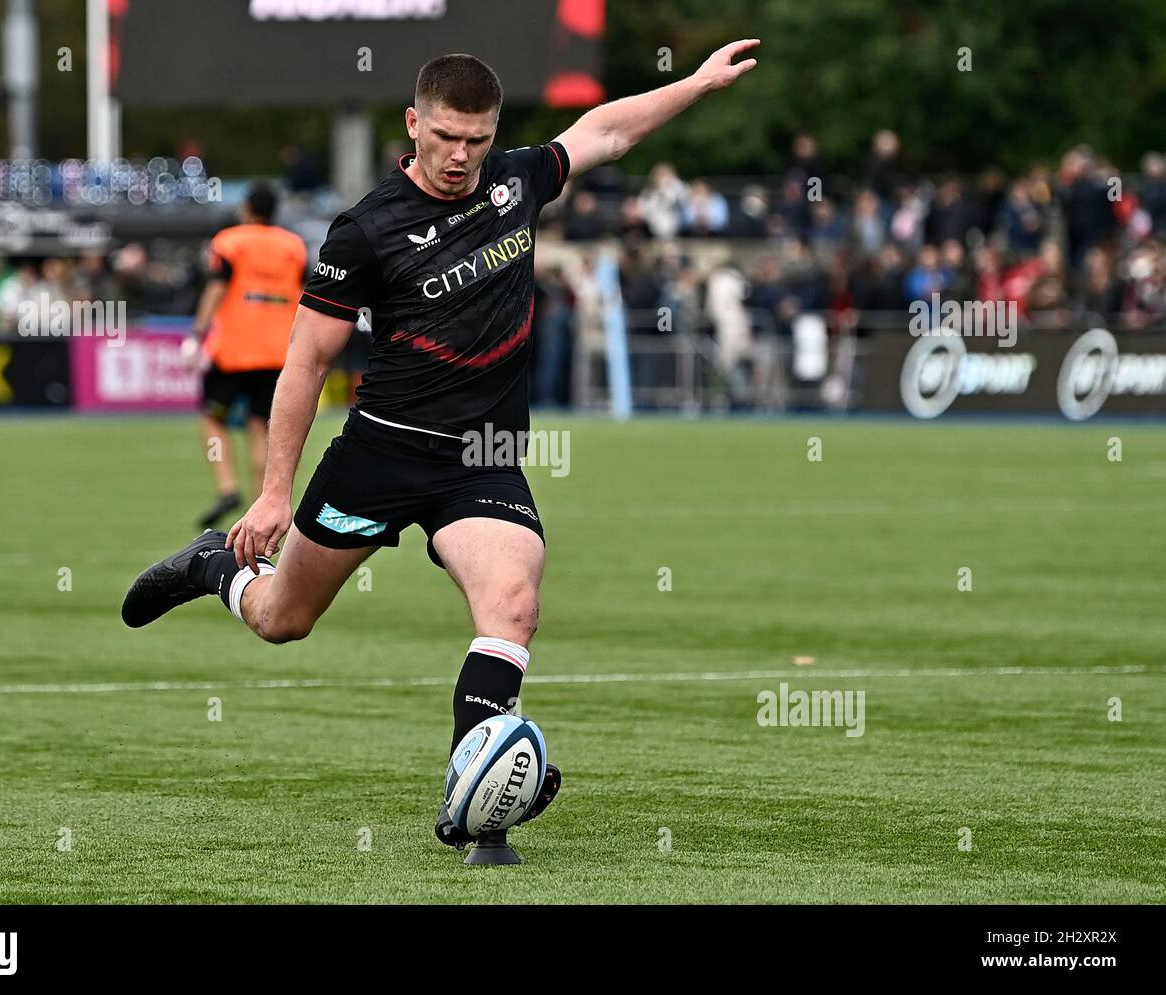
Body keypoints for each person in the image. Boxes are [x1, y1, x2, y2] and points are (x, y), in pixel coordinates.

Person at [122, 42, 761, 850]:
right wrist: (275, 491)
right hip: (380, 455)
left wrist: (698, 85)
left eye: (479, 138)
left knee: (514, 607)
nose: (462, 156)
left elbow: (606, 132)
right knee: (284, 618)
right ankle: (213, 565)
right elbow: (308, 360)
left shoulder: (514, 181)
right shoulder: (364, 232)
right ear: (414, 124)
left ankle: (481, 811)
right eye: (448, 136)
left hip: (482, 457)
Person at [184, 183, 308, 529]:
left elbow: (217, 287)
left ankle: (227, 487)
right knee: (261, 428)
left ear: (247, 209)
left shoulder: (229, 242)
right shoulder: (293, 246)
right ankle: (261, 507)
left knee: (212, 419)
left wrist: (197, 333)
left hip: (235, 349)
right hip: (278, 350)